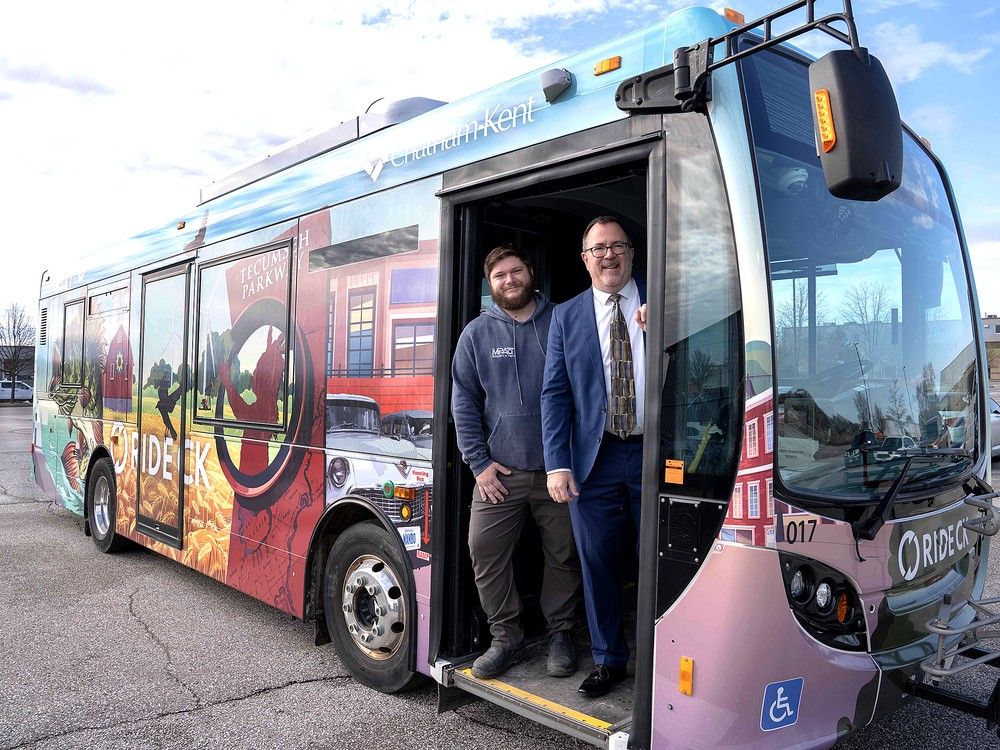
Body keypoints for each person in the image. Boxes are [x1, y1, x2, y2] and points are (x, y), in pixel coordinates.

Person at [451, 245, 582, 680]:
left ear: (531, 272)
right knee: (483, 551)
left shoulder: (562, 320)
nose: (509, 280)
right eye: (500, 275)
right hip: (499, 475)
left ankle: (561, 633)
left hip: (557, 471)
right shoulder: (476, 335)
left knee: (563, 556)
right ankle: (506, 637)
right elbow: (464, 403)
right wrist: (479, 464)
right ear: (491, 286)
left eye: (516, 271)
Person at [541, 216, 645, 697]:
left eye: (617, 245)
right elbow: (555, 395)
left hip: (655, 454)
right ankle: (609, 659)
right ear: (584, 259)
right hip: (593, 461)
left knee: (662, 559)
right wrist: (557, 463)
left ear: (631, 253)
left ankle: (667, 653)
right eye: (598, 248)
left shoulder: (661, 299)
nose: (609, 255)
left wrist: (663, 326)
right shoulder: (566, 316)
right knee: (597, 562)